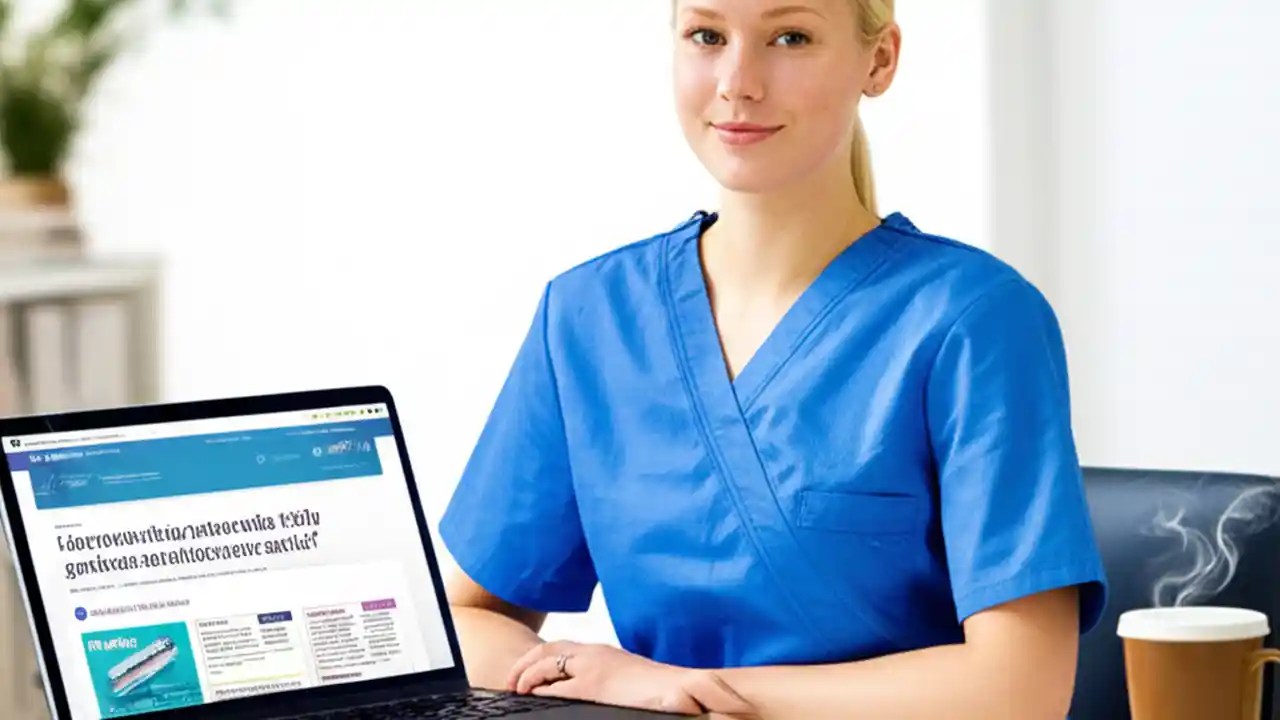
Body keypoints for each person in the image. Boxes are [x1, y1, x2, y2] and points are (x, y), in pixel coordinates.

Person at [438, 0, 1109, 717]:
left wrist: (679, 693)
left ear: (878, 61)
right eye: (707, 35)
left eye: (790, 37)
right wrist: (582, 669)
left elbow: (1019, 689)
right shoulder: (588, 315)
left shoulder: (975, 320)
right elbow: (463, 623)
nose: (738, 81)